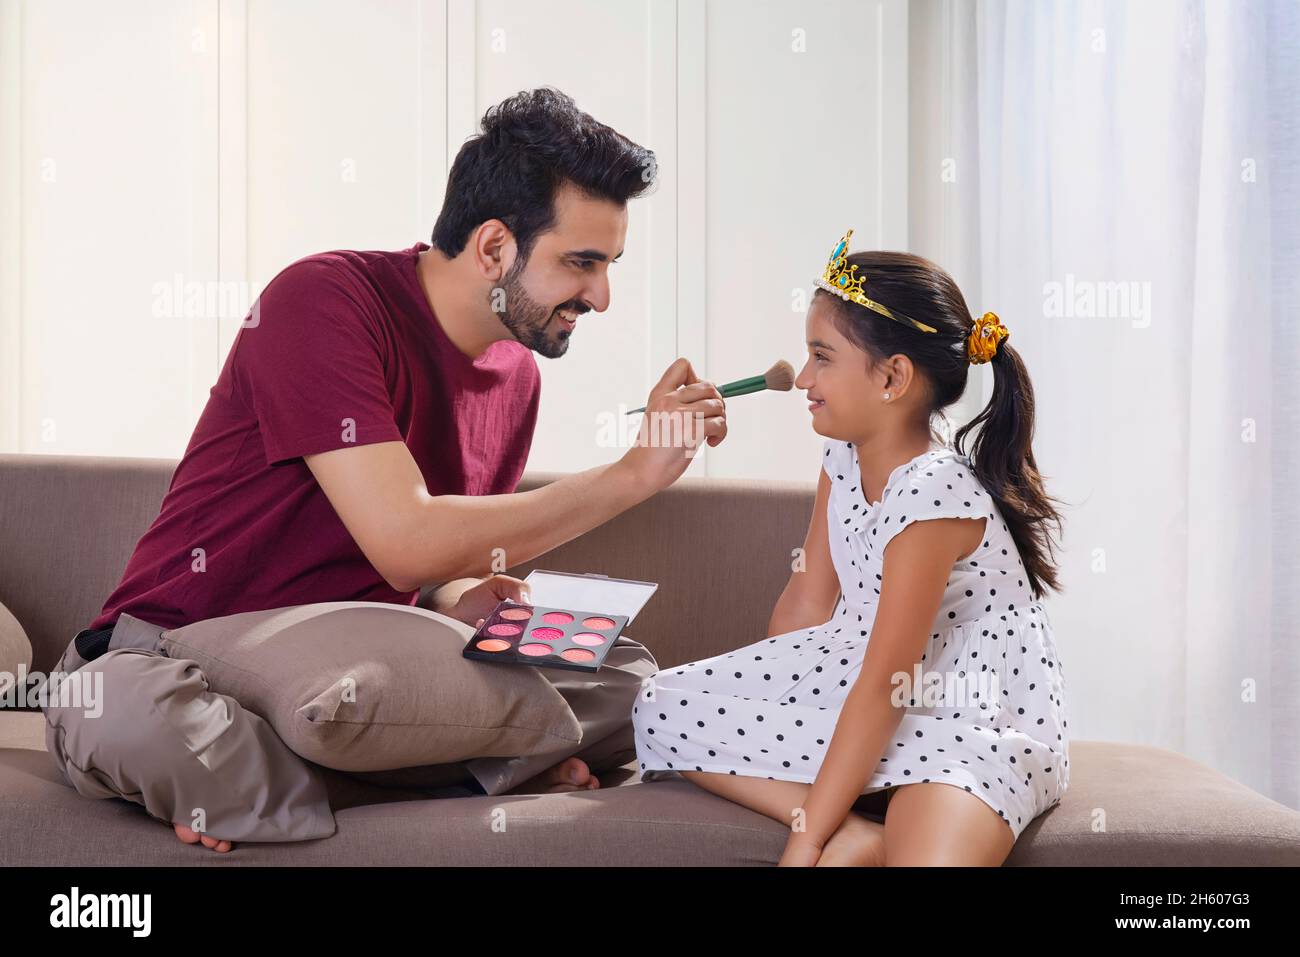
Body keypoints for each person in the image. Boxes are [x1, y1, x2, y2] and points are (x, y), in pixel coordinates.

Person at [42, 87, 728, 853]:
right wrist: (631, 476)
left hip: (351, 675)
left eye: (609, 265)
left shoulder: (517, 377)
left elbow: (426, 571)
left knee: (628, 679)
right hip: (174, 654)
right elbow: (404, 538)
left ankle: (282, 786)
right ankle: (442, 775)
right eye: (582, 263)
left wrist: (467, 599)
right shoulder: (324, 301)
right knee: (130, 713)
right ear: (495, 246)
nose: (600, 295)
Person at [632, 232, 1069, 866]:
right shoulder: (841, 457)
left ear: (892, 376)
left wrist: (804, 844)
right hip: (869, 683)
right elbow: (808, 603)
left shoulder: (935, 490)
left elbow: (891, 681)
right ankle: (855, 827)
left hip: (970, 715)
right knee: (660, 703)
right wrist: (772, 699)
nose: (804, 379)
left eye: (822, 357)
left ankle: (855, 812)